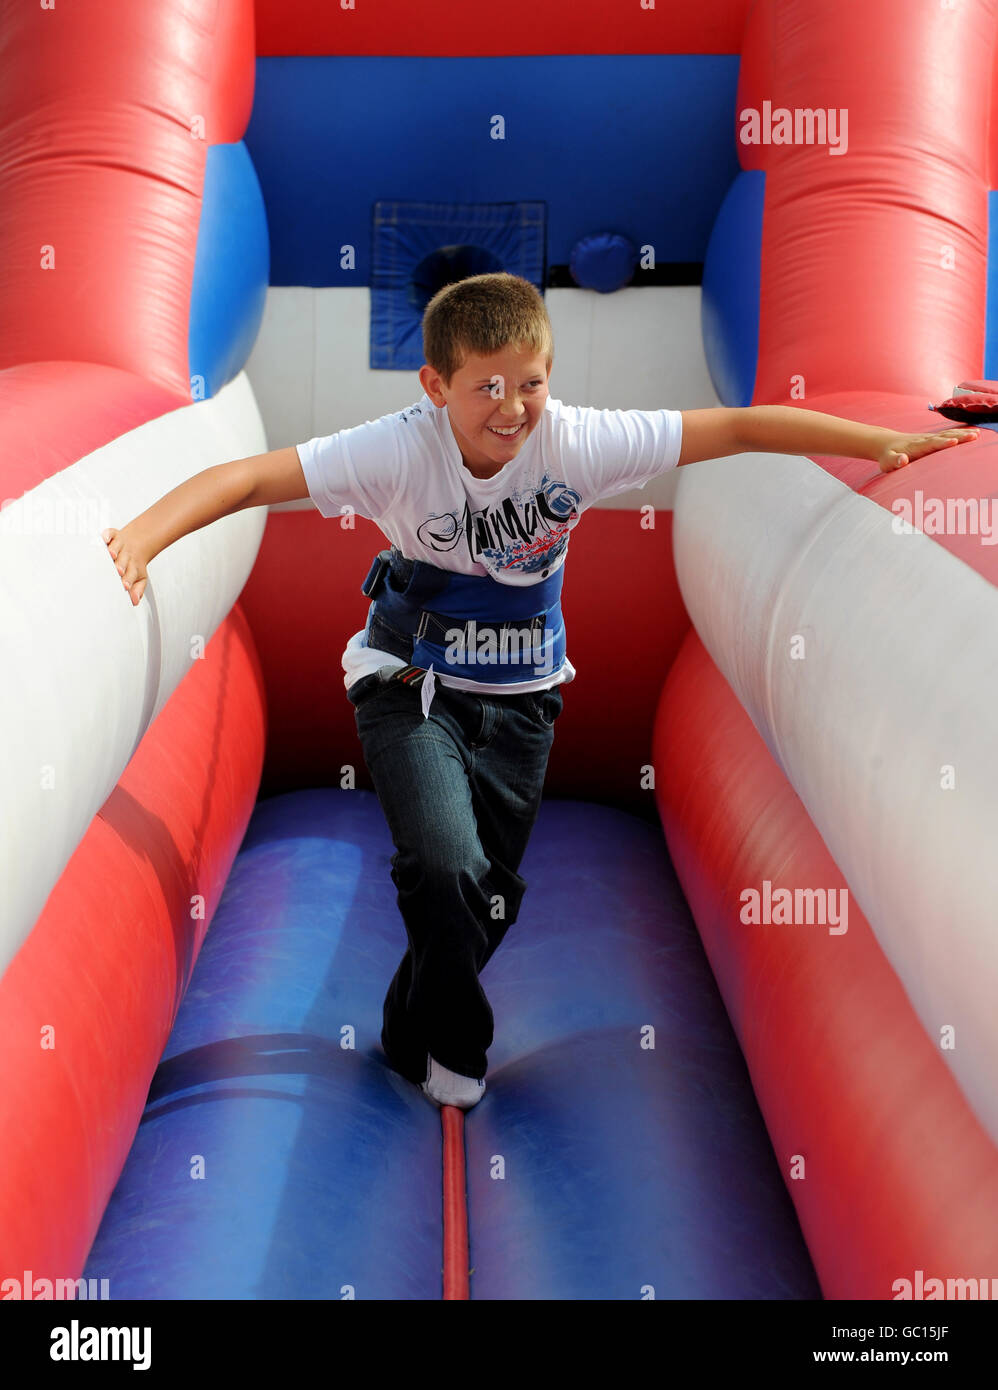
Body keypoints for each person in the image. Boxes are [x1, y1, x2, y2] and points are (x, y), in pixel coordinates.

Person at [102, 272, 978, 1109]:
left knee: (487, 897)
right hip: (414, 685)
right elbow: (252, 477)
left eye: (531, 383)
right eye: (487, 388)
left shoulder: (576, 441)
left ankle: (408, 1032)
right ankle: (458, 1051)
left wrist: (878, 444)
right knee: (445, 866)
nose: (513, 409)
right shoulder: (398, 448)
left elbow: (739, 428)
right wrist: (143, 535)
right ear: (435, 386)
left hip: (524, 700)